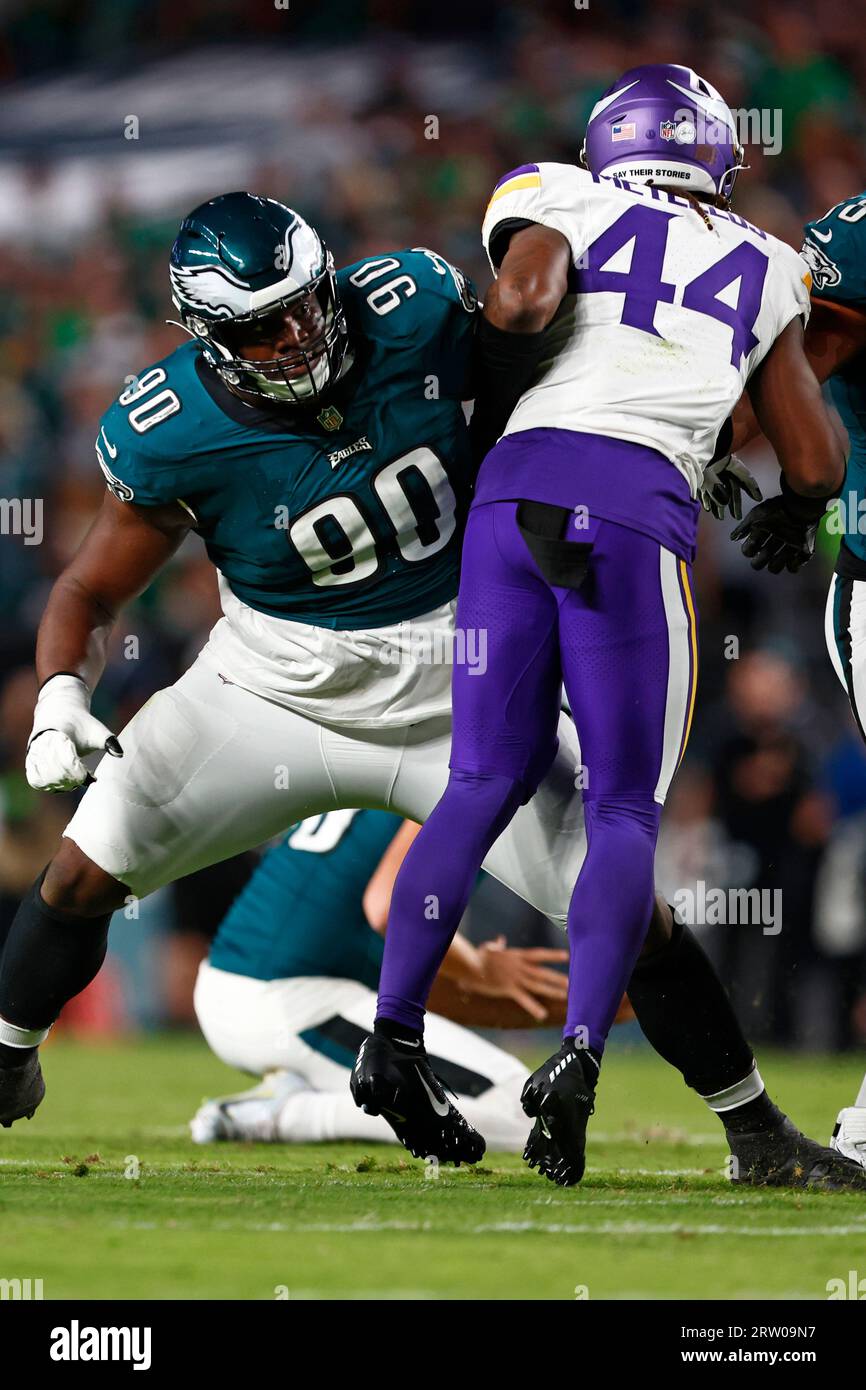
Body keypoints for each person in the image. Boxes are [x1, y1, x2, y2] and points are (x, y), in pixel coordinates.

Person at [1, 191, 855, 1193]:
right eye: (260, 324)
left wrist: (673, 437)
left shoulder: (411, 306)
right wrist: (62, 691)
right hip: (272, 687)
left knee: (624, 913)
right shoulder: (170, 427)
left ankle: (755, 1132)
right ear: (204, 335)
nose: (296, 333)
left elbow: (572, 361)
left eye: (304, 302)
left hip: (468, 684)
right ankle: (10, 1057)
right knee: (83, 868)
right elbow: (89, 587)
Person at [353, 64, 845, 1186]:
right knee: (622, 804)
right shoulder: (767, 262)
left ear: (607, 140)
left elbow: (520, 305)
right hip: (632, 505)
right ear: (714, 152)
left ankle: (391, 1031)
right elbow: (812, 457)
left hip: (513, 493)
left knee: (478, 781)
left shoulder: (554, 190)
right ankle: (575, 1055)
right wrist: (796, 509)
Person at [191, 809, 572, 1151]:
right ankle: (284, 1113)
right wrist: (482, 968)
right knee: (521, 1108)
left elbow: (406, 984)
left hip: (247, 987)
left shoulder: (389, 771)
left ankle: (308, 1089)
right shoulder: (460, 781)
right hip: (288, 1000)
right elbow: (389, 908)